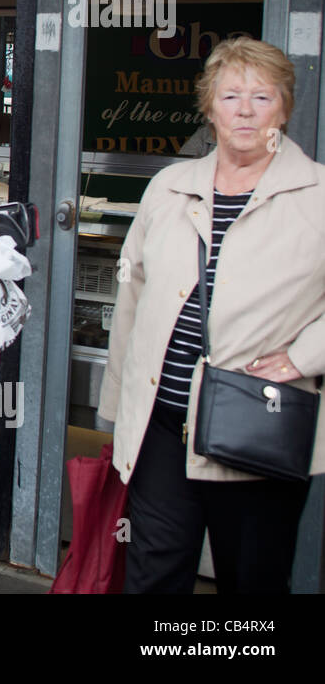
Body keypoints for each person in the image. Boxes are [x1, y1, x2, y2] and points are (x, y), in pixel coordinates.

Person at [98, 36, 325, 594]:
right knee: (152, 575)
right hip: (163, 427)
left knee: (252, 580)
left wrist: (303, 357)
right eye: (230, 96)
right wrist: (120, 405)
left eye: (261, 96)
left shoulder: (317, 194)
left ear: (285, 107)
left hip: (258, 428)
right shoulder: (169, 187)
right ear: (208, 107)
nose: (245, 110)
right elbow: (132, 297)